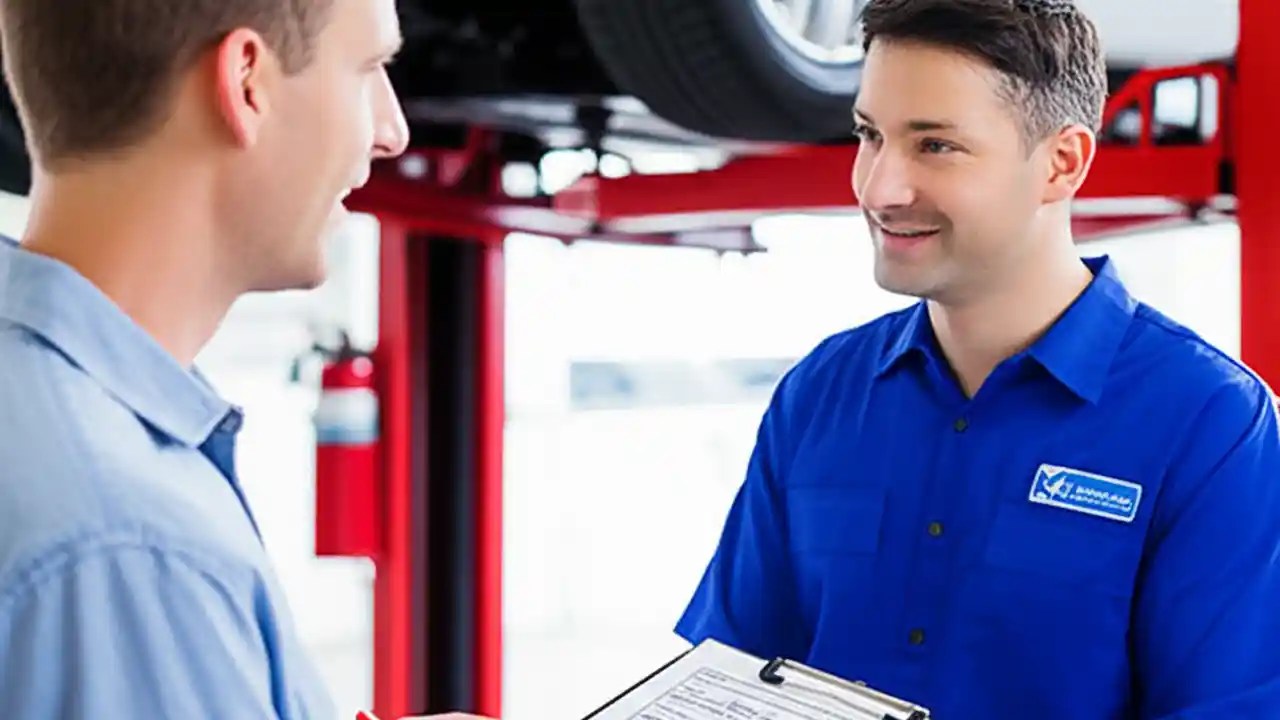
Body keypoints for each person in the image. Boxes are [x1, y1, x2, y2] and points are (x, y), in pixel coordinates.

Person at [675, 0, 1280, 717]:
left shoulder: (1211, 423)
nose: (879, 189)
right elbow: (731, 685)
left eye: (934, 146)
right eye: (870, 135)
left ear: (1062, 163)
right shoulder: (819, 395)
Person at [0, 1, 490, 718]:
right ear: (247, 83)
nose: (391, 131)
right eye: (367, 71)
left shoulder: (43, 412)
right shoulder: (132, 551)